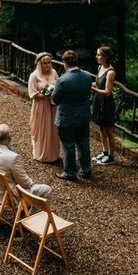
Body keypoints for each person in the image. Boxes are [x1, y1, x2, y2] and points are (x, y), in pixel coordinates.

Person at [0, 124, 51, 203]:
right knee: (46, 189)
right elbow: (24, 183)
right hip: (8, 196)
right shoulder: (13, 157)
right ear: (9, 138)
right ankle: (31, 213)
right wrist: (31, 183)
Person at [51, 50, 93, 181]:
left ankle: (70, 172)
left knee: (68, 145)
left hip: (66, 117)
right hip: (83, 116)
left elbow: (55, 99)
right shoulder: (87, 77)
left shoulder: (62, 80)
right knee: (84, 143)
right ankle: (86, 170)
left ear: (65, 63)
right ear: (76, 61)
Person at [27, 52, 62, 163]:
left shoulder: (54, 73)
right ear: (39, 64)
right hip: (40, 106)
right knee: (40, 129)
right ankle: (41, 154)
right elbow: (32, 94)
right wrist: (46, 95)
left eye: (49, 62)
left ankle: (53, 155)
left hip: (53, 106)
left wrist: (54, 94)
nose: (47, 65)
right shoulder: (34, 75)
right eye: (44, 63)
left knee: (53, 130)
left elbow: (59, 86)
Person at [91, 46, 117, 165]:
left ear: (105, 57)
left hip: (106, 103)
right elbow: (97, 84)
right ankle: (104, 151)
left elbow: (107, 92)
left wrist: (92, 88)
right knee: (101, 128)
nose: (96, 57)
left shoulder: (110, 72)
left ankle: (111, 156)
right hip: (98, 100)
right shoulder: (99, 67)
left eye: (99, 55)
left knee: (108, 130)